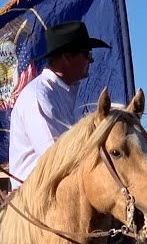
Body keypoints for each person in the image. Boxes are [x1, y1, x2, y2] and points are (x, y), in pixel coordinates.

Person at [7, 20, 110, 183]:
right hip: (35, 199)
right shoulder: (39, 96)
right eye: (87, 54)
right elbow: (57, 158)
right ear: (67, 57)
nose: (91, 60)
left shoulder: (59, 92)